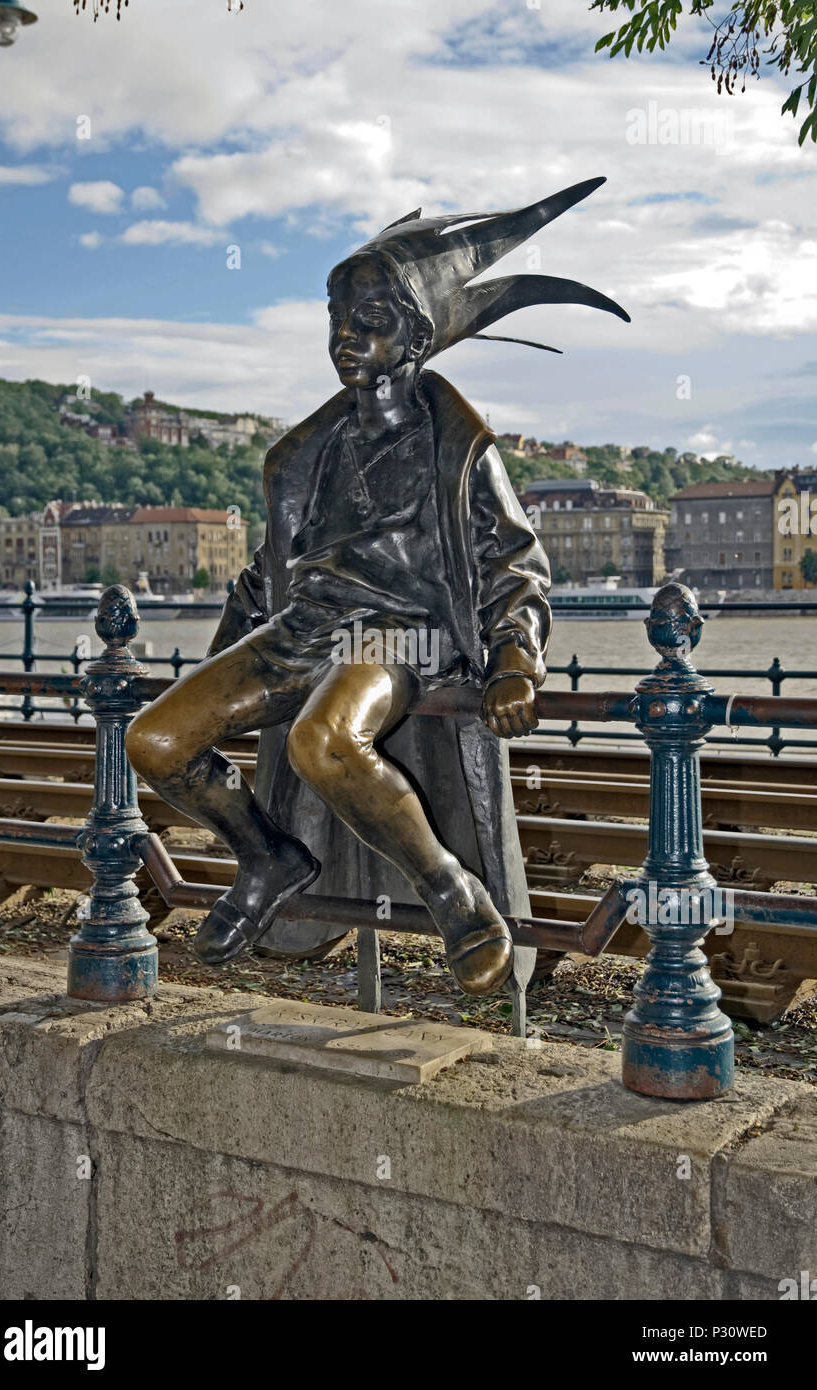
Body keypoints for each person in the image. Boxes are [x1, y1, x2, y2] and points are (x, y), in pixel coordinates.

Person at [125, 176, 628, 995]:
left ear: (416, 336)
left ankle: (452, 892)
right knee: (153, 740)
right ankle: (267, 857)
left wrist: (515, 658)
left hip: (400, 635)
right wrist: (224, 659)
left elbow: (514, 561)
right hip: (305, 628)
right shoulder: (306, 455)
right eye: (336, 318)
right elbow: (269, 570)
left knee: (321, 740)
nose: (345, 336)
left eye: (370, 320)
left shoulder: (457, 448)